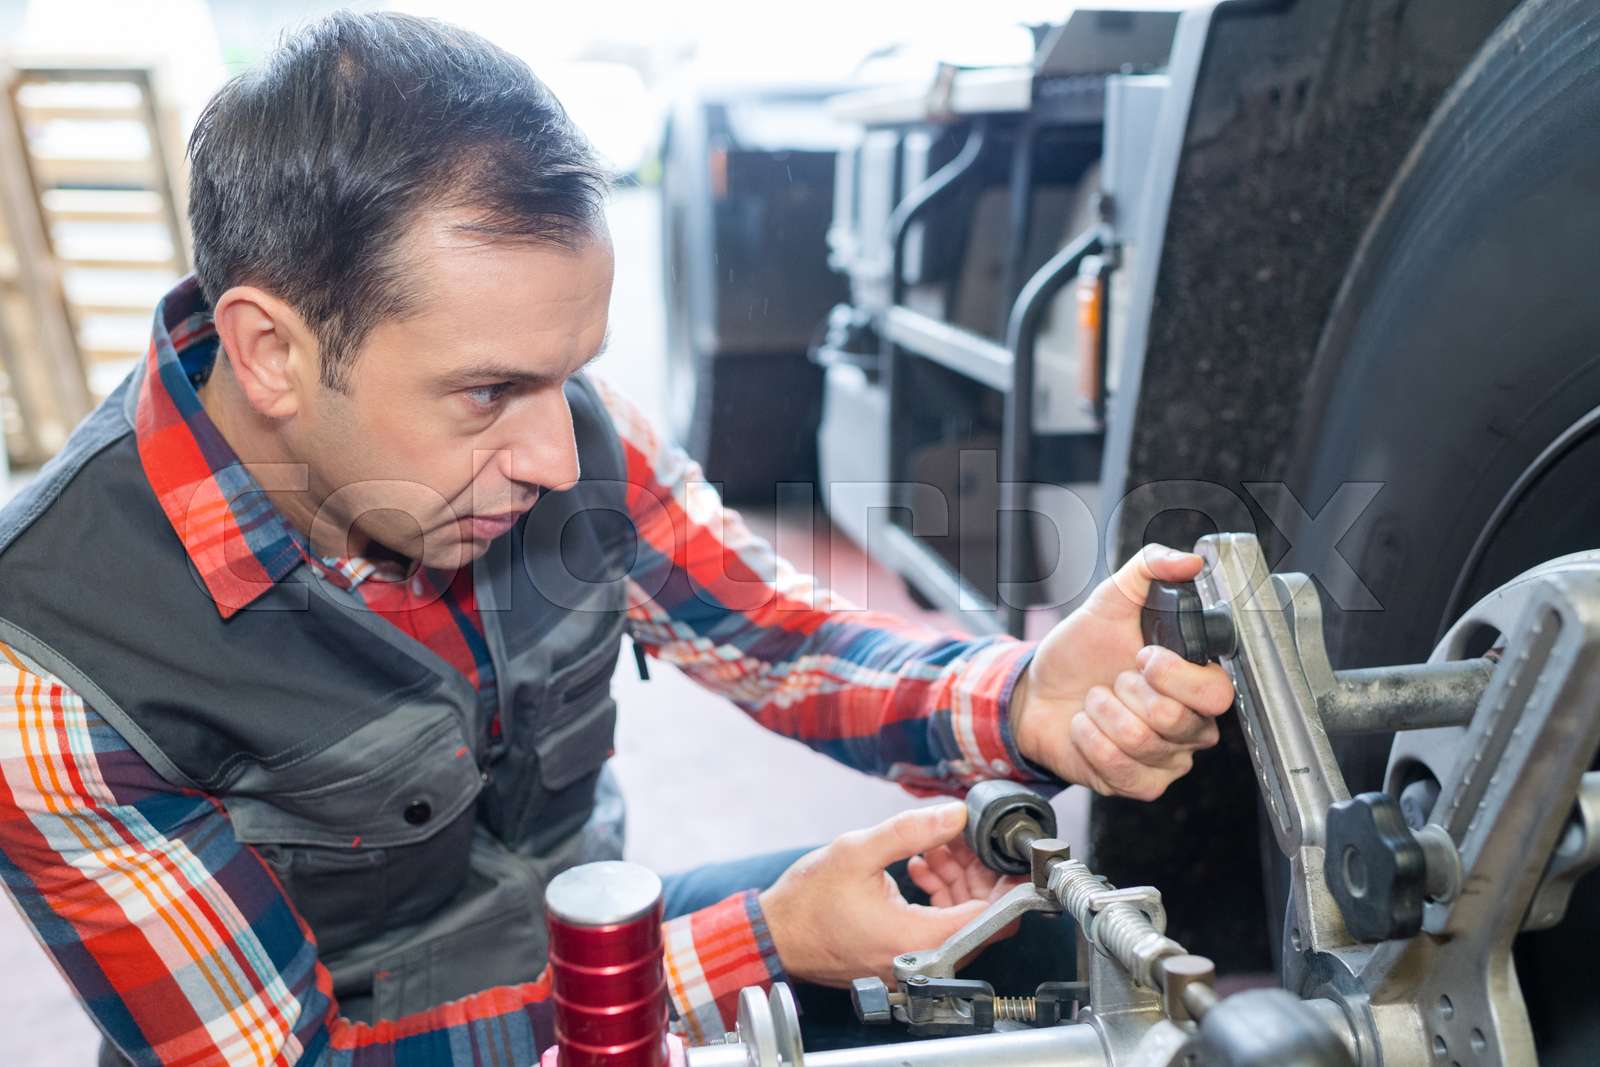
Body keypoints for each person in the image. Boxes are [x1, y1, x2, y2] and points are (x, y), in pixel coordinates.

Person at [0, 12, 1234, 1066]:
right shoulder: (55, 664)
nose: (554, 456)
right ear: (271, 350)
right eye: (486, 391)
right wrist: (761, 941)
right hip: (359, 1031)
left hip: (584, 924)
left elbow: (779, 639)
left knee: (1022, 945)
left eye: (569, 373)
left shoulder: (561, 429)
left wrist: (1026, 697)